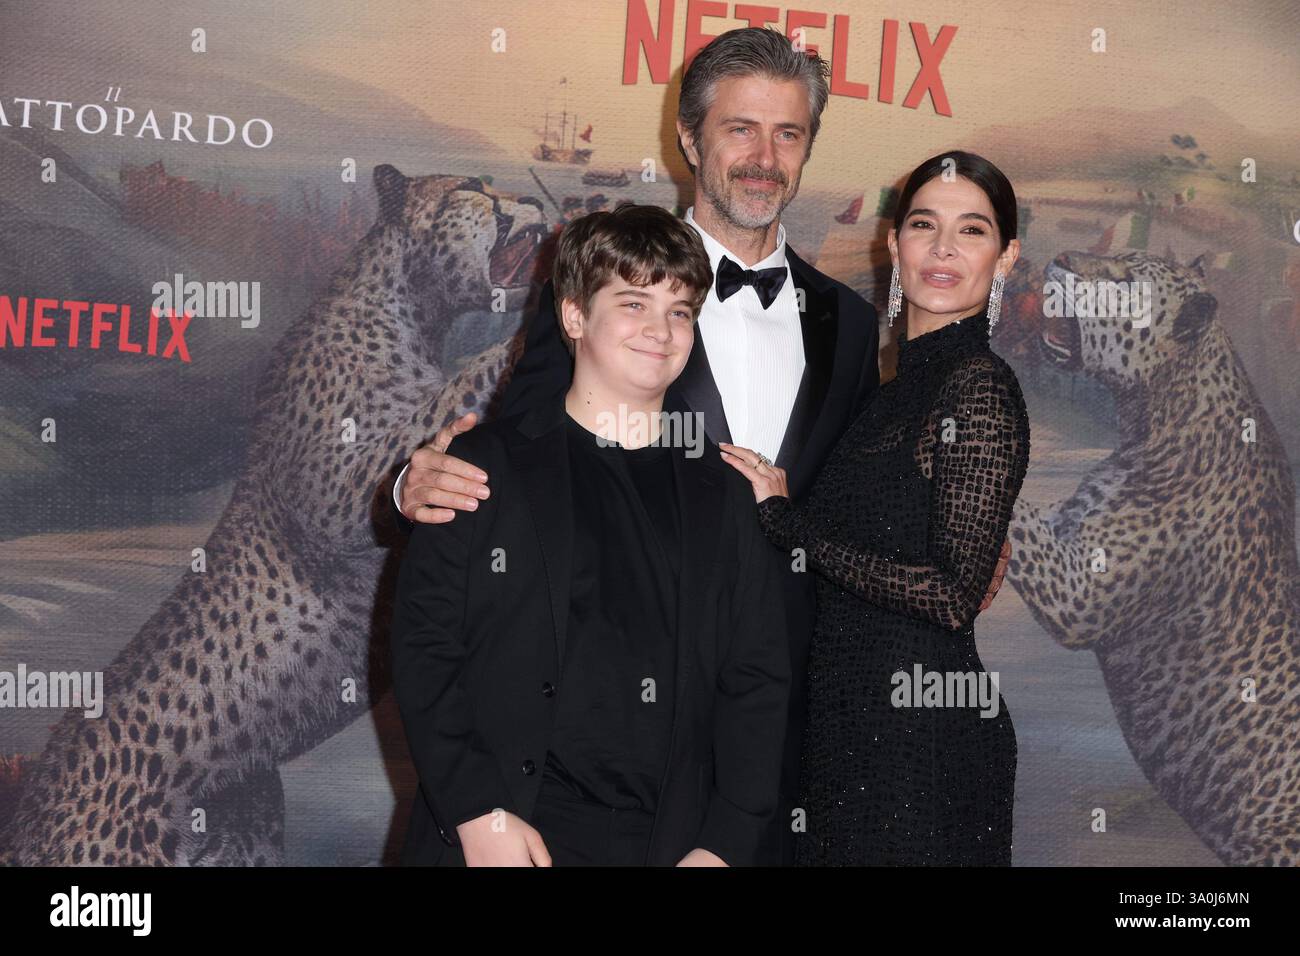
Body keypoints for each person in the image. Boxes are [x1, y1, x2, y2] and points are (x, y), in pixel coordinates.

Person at [388, 27, 1008, 864]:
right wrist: (411, 485)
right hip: (591, 729)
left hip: (799, 719)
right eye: (739, 128)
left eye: (788, 133)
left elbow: (868, 496)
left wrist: (959, 546)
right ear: (688, 138)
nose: (764, 155)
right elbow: (519, 449)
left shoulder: (853, 324)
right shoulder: (602, 281)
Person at [390, 203, 790, 867]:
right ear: (575, 316)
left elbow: (756, 682)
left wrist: (723, 844)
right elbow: (425, 646)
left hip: (666, 849)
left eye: (680, 310)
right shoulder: (483, 464)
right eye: (634, 304)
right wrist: (476, 813)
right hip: (503, 839)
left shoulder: (723, 493)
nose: (661, 331)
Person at [722, 151, 1030, 865]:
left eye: (973, 230)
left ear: (1006, 255)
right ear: (893, 243)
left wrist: (785, 521)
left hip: (922, 744)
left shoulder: (977, 386)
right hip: (849, 729)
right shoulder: (890, 389)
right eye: (925, 224)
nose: (945, 248)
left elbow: (953, 596)